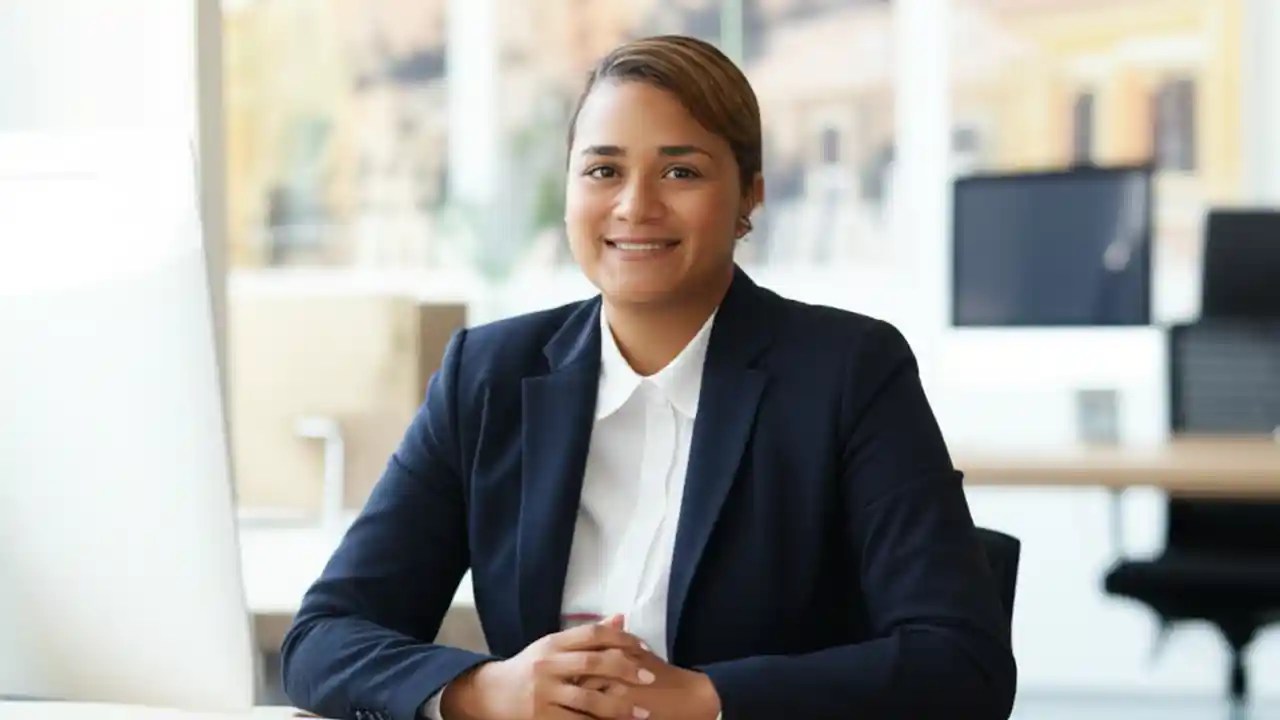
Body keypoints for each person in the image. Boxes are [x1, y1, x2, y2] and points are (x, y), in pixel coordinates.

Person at [281, 35, 1016, 720]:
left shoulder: (848, 371)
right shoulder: (489, 375)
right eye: (603, 170)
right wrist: (485, 689)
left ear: (749, 195)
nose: (635, 205)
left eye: (681, 171)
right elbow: (324, 638)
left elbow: (962, 663)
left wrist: (704, 698)